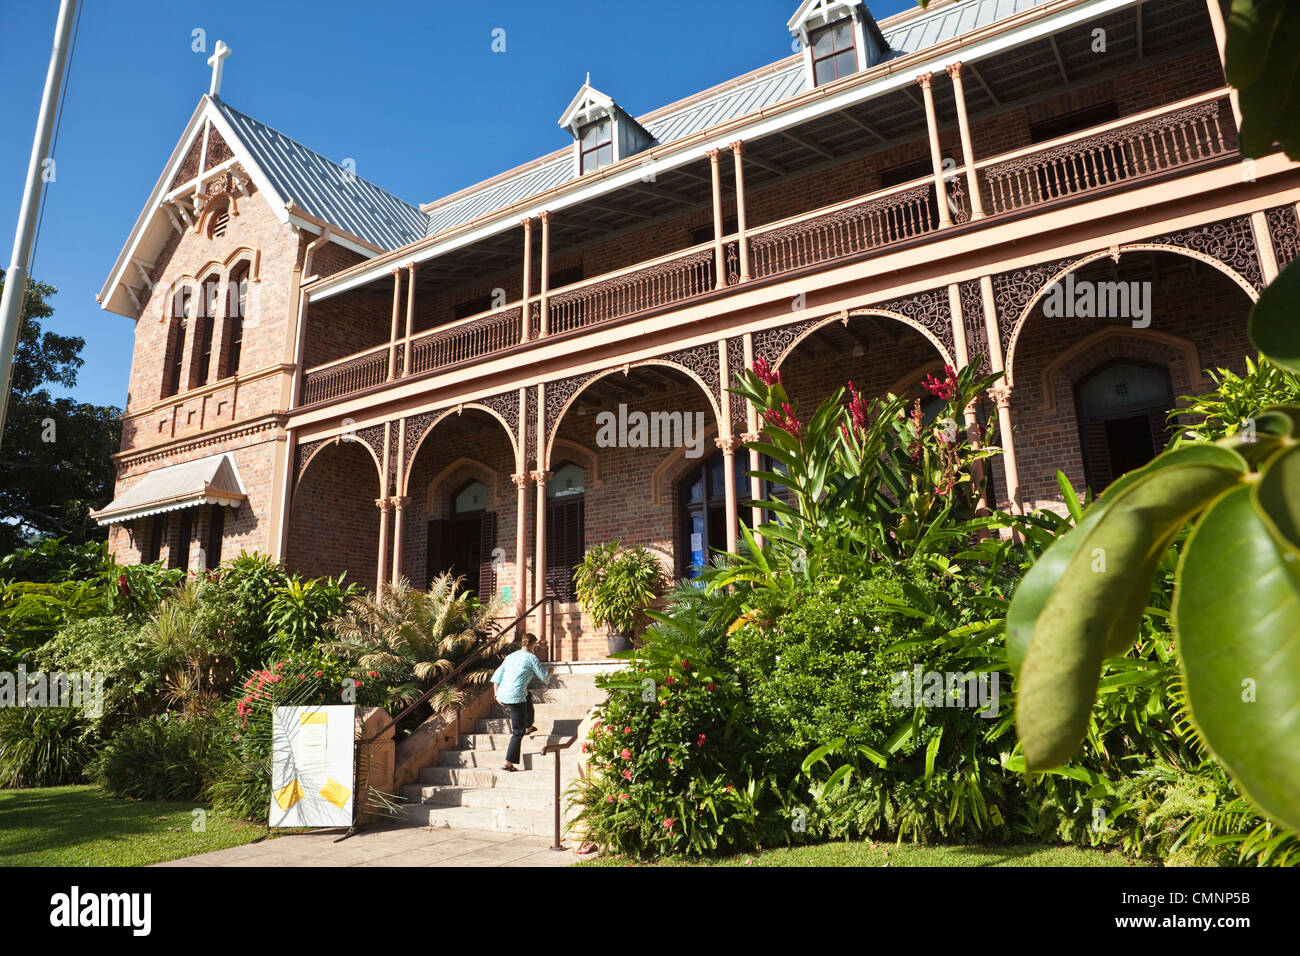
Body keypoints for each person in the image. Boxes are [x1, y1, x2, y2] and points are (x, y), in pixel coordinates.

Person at [490, 633, 552, 771]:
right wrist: (551, 672)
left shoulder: (510, 656)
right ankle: (508, 763)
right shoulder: (532, 658)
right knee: (518, 732)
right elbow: (545, 678)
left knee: (527, 695)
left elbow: (496, 677)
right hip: (515, 698)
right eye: (535, 646)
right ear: (533, 645)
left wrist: (496, 696)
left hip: (502, 695)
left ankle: (529, 726)